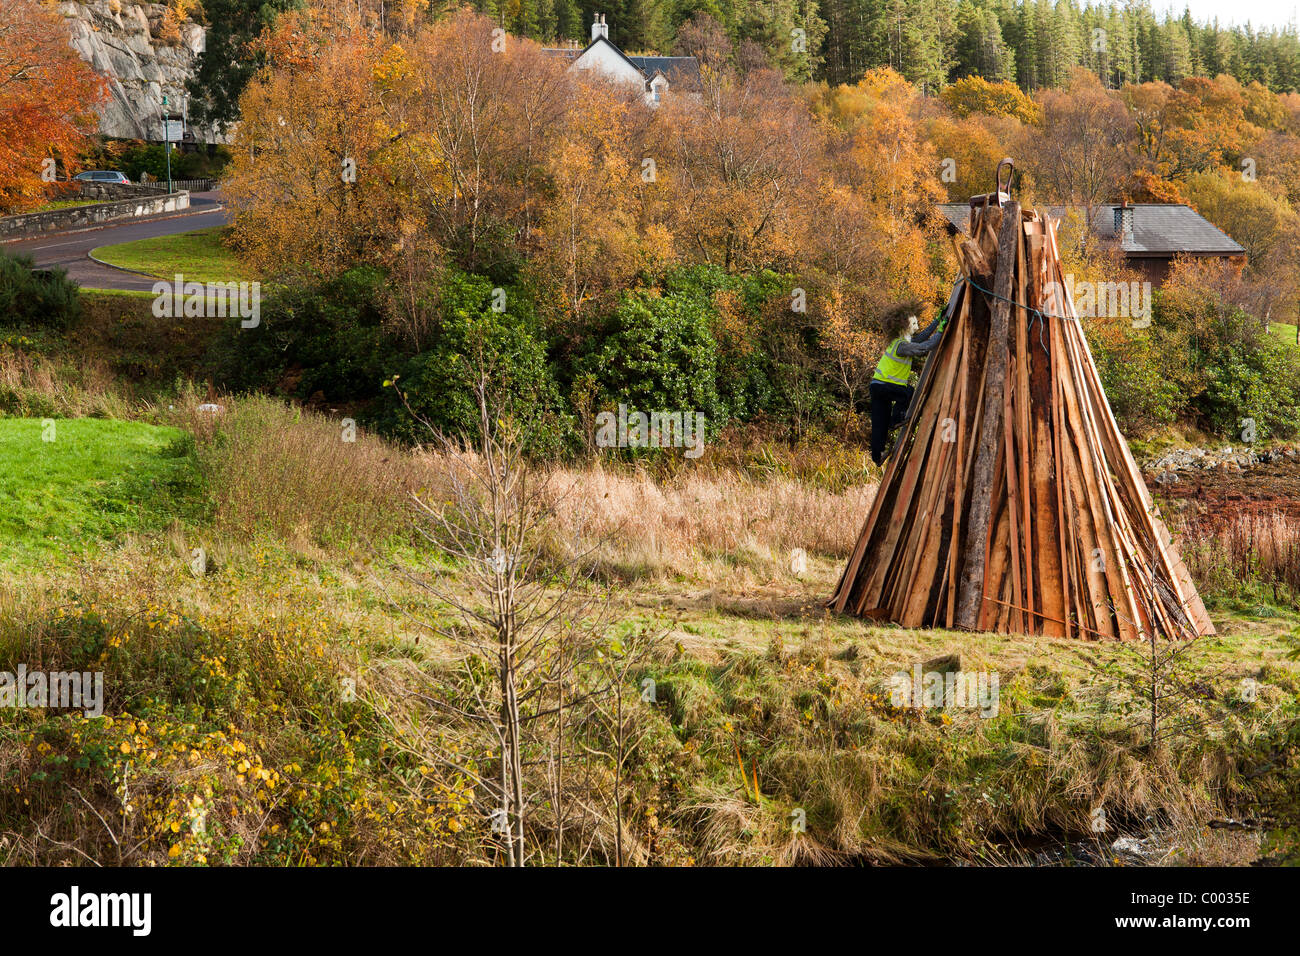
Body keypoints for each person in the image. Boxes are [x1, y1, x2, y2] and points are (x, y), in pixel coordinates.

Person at [868, 303, 945, 465]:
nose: (916, 327)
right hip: (885, 385)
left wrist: (936, 321)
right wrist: (940, 332)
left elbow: (922, 337)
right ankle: (896, 420)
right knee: (908, 392)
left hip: (877, 386)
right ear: (905, 326)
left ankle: (878, 456)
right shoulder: (902, 346)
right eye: (914, 324)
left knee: (880, 421)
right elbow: (925, 347)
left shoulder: (899, 341)